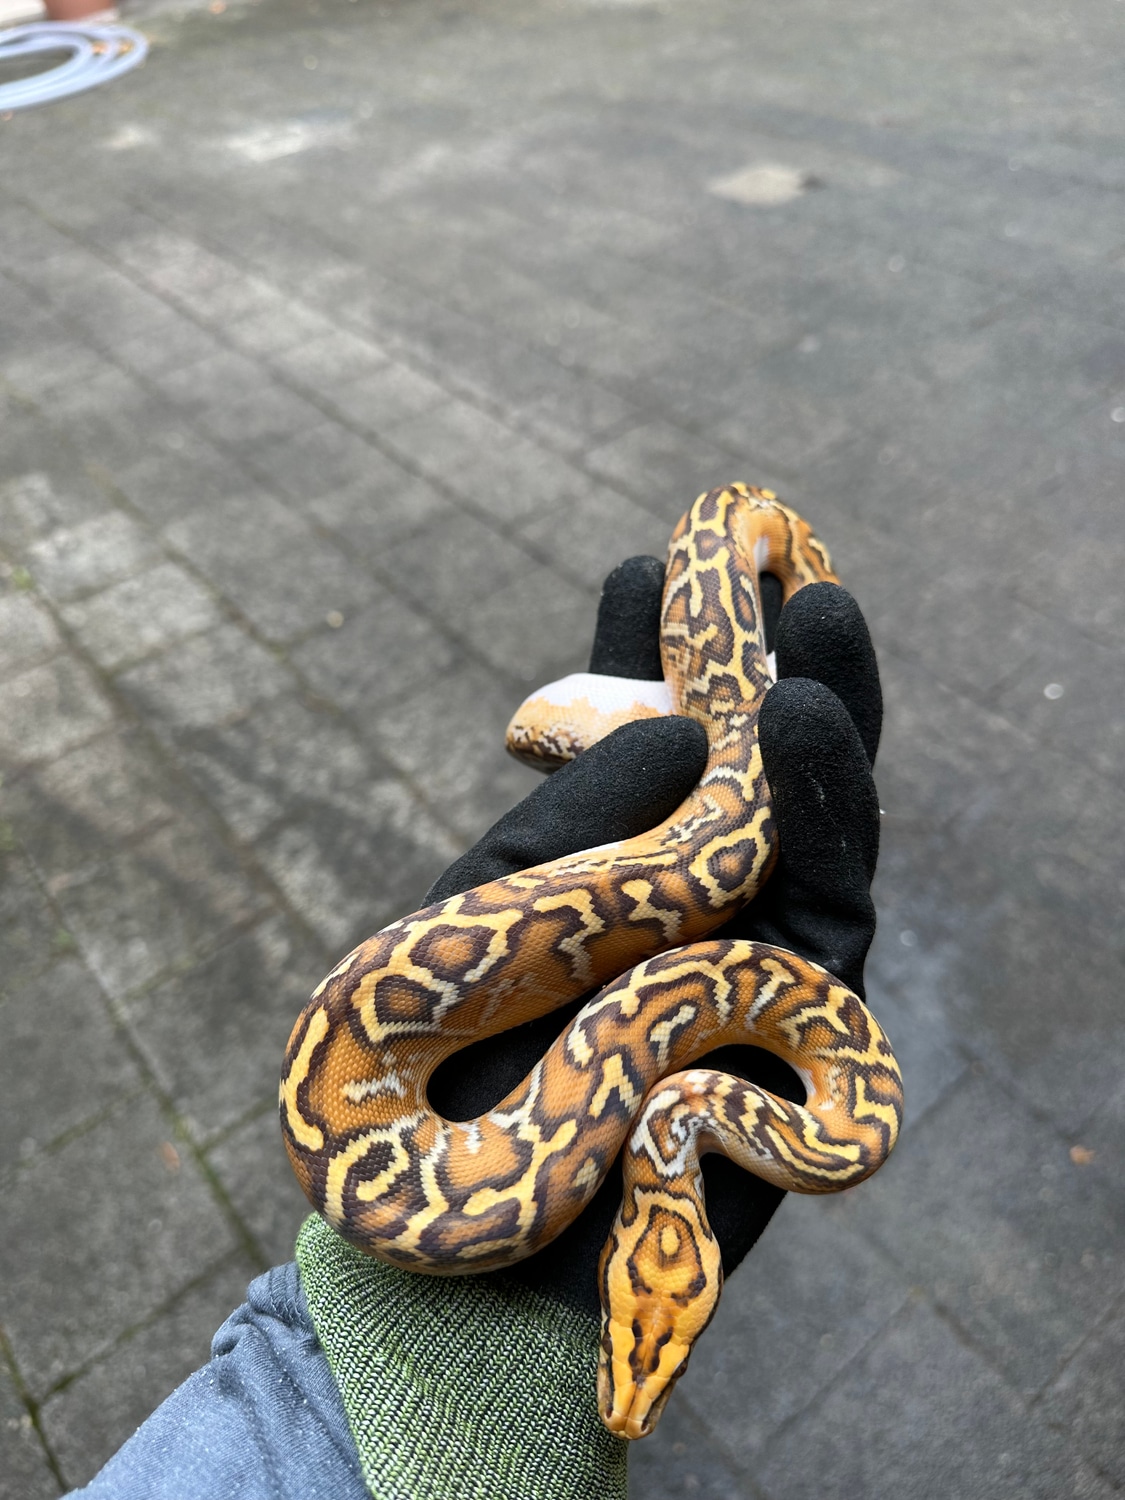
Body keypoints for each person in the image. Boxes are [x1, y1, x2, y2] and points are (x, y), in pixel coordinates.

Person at [69, 555, 883, 1500]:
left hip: (396, 1153)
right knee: (728, 803)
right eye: (649, 1349)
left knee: (700, 782)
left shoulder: (707, 1112)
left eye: (638, 1350)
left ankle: (705, 621)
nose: (623, 1397)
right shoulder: (819, 1119)